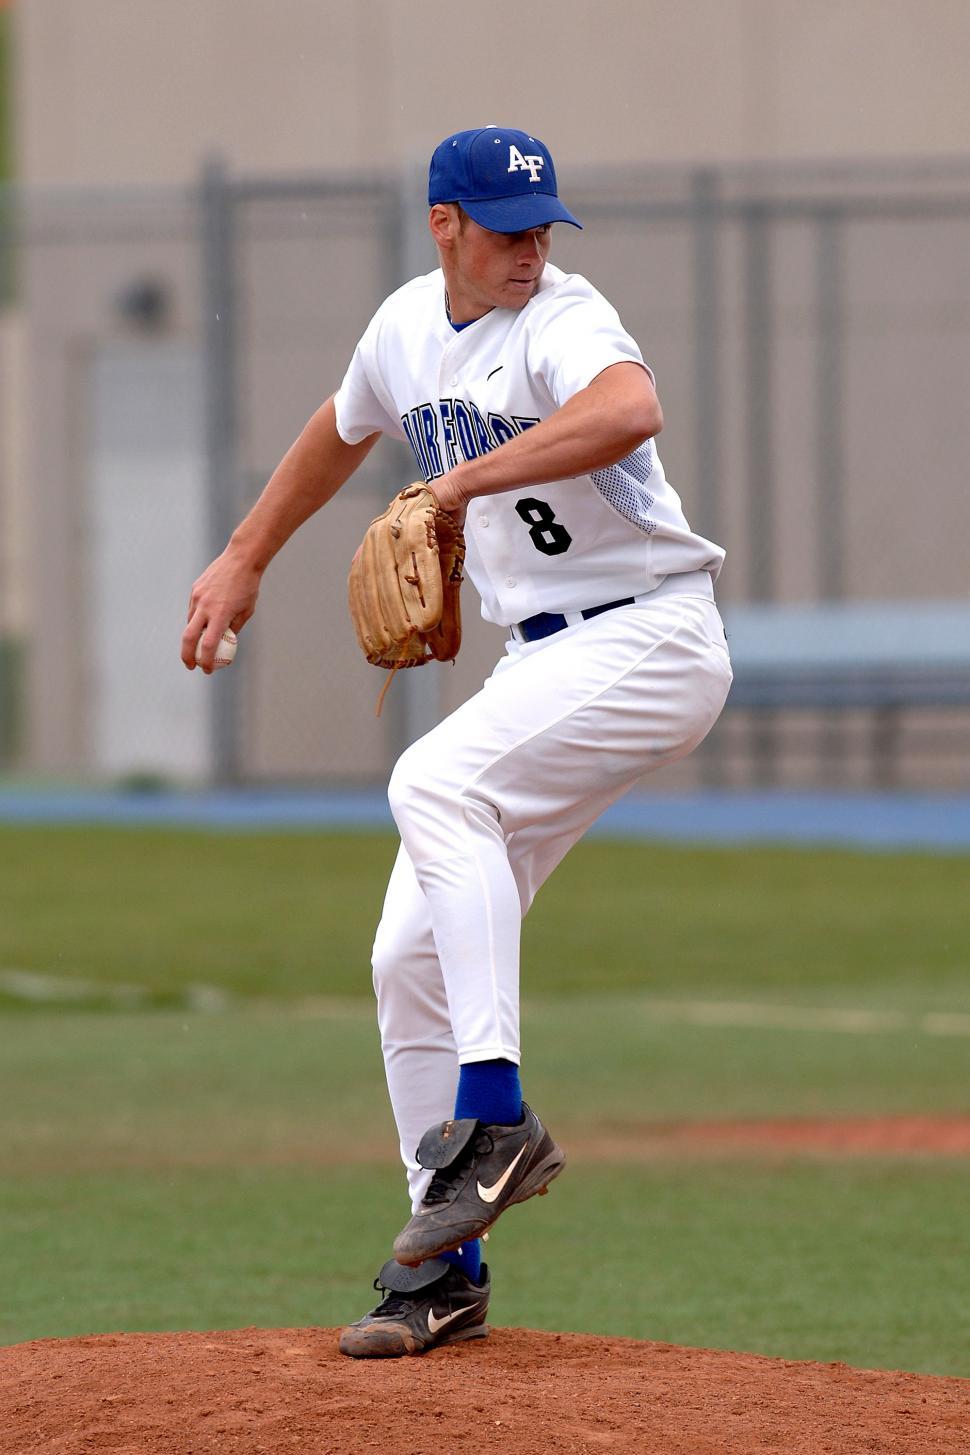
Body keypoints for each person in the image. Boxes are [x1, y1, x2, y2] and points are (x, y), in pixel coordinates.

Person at [181, 125, 733, 1358]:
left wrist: (456, 487)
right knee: (404, 958)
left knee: (432, 781)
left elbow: (628, 406)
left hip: (650, 634)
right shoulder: (403, 331)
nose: (528, 250)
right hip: (544, 658)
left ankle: (495, 1120)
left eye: (541, 227)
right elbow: (339, 430)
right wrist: (244, 556)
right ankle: (448, 1272)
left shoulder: (563, 321)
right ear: (445, 226)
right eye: (502, 229)